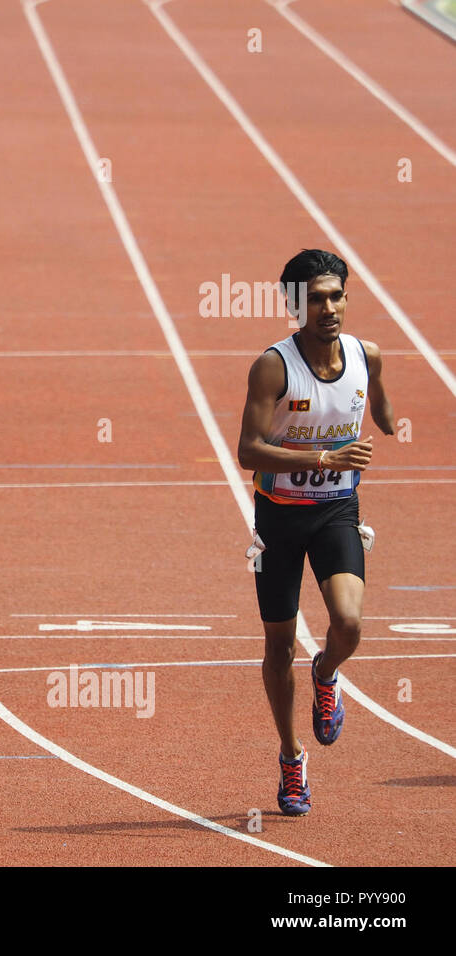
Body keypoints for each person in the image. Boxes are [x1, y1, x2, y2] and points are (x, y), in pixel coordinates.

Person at [237, 249, 396, 816]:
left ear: (347, 297)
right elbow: (247, 451)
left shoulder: (365, 355)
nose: (329, 308)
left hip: (335, 511)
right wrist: (326, 456)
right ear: (294, 305)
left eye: (337, 295)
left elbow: (376, 399)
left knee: (348, 623)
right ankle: (290, 755)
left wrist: (387, 418)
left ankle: (326, 672)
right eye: (315, 299)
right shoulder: (273, 367)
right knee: (277, 645)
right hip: (279, 515)